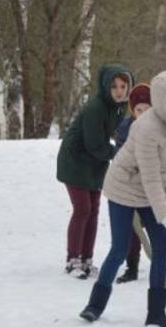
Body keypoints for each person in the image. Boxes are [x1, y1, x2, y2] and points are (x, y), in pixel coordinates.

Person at [79, 70, 166, 327]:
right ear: (162, 98)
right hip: (124, 188)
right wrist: (165, 215)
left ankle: (155, 313)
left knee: (162, 247)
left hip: (147, 192)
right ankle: (94, 306)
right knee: (120, 249)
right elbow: (151, 179)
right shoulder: (146, 128)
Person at [56, 64, 133, 279]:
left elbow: (118, 135)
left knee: (94, 210)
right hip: (76, 161)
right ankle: (73, 260)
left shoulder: (120, 107)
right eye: (114, 86)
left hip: (95, 164)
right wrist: (120, 153)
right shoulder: (95, 108)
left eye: (123, 86)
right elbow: (94, 144)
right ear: (106, 88)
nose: (119, 91)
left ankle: (87, 259)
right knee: (82, 209)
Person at [113, 83, 166, 285]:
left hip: (161, 186)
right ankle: (132, 266)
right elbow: (122, 158)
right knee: (132, 229)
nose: (143, 114)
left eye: (147, 109)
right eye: (139, 110)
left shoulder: (164, 125)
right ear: (132, 110)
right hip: (134, 188)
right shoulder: (126, 129)